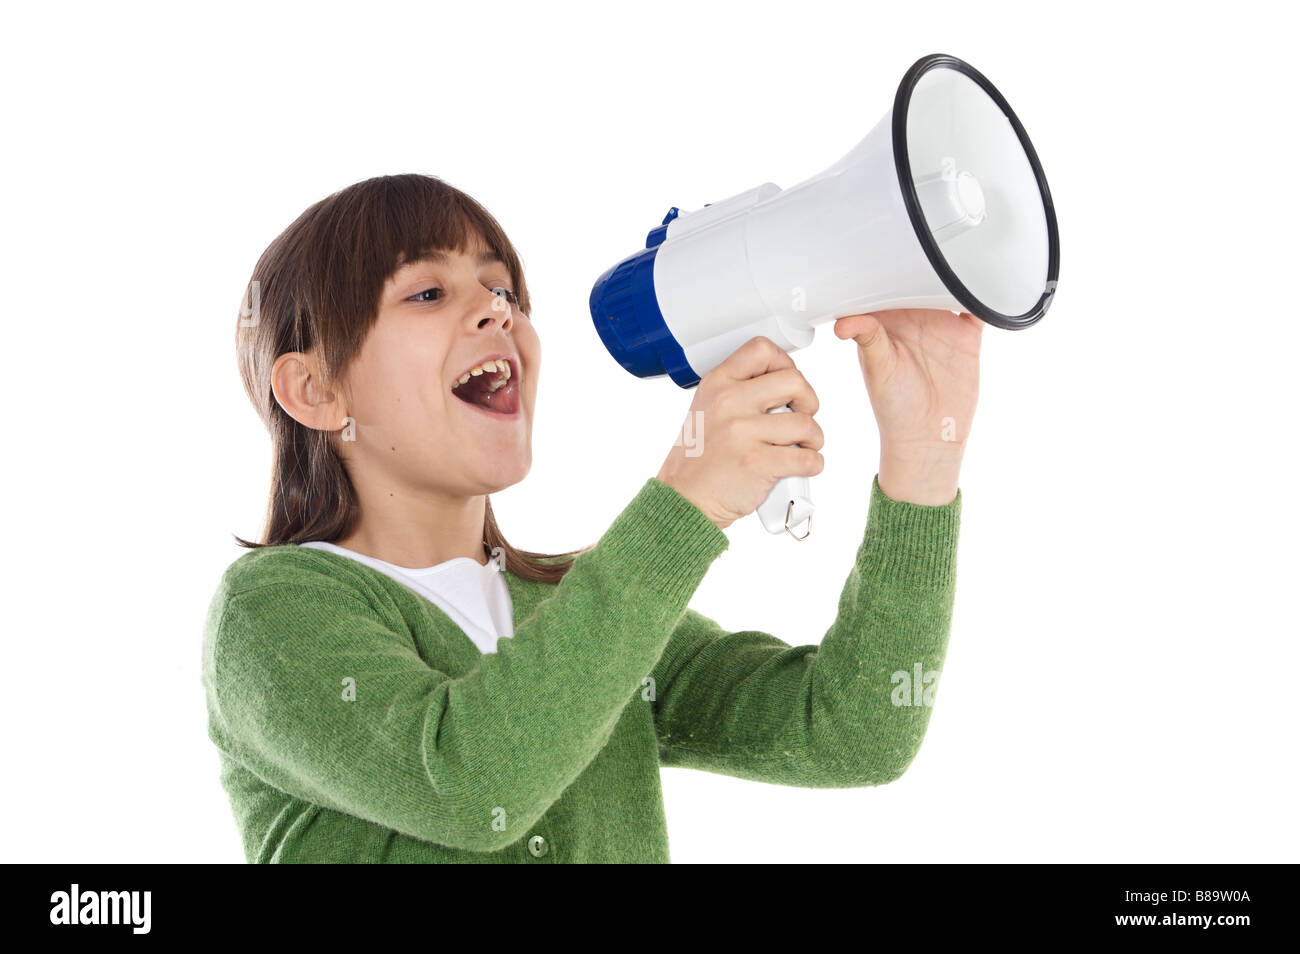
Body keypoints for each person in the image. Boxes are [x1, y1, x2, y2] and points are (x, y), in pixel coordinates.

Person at [202, 173, 981, 863]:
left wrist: (923, 459)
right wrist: (685, 507)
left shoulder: (576, 606)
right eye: (429, 293)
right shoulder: (274, 612)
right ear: (315, 391)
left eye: (505, 290)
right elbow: (472, 785)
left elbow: (855, 732)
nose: (496, 312)